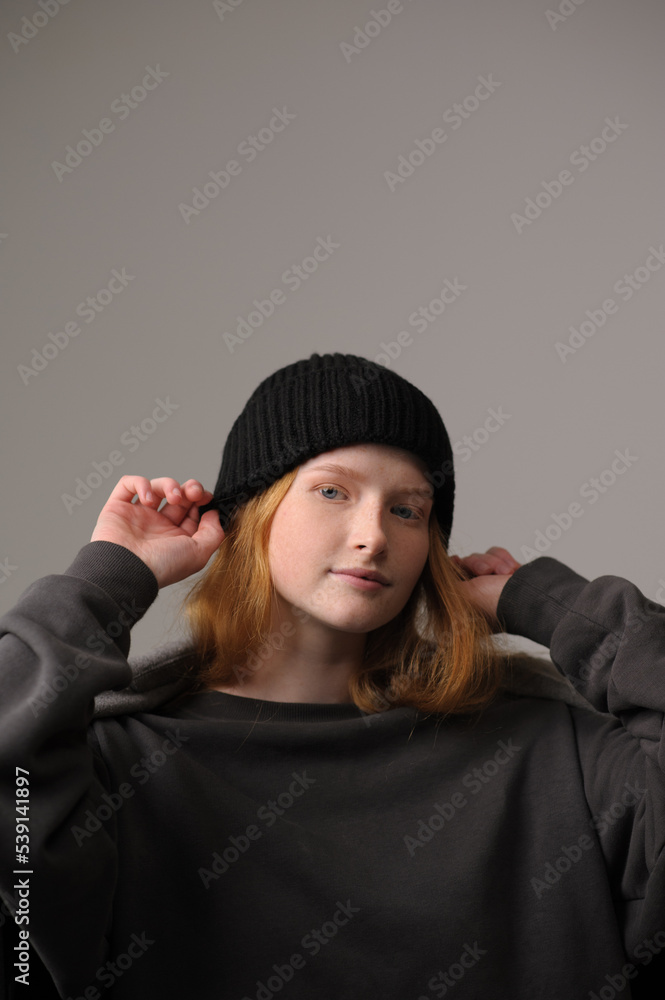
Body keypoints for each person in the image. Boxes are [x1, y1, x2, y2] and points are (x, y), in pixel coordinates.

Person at [0, 351, 664, 999]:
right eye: (330, 491)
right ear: (249, 514)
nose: (373, 535)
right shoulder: (119, 767)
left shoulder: (549, 752)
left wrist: (555, 606)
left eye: (407, 509)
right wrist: (108, 578)